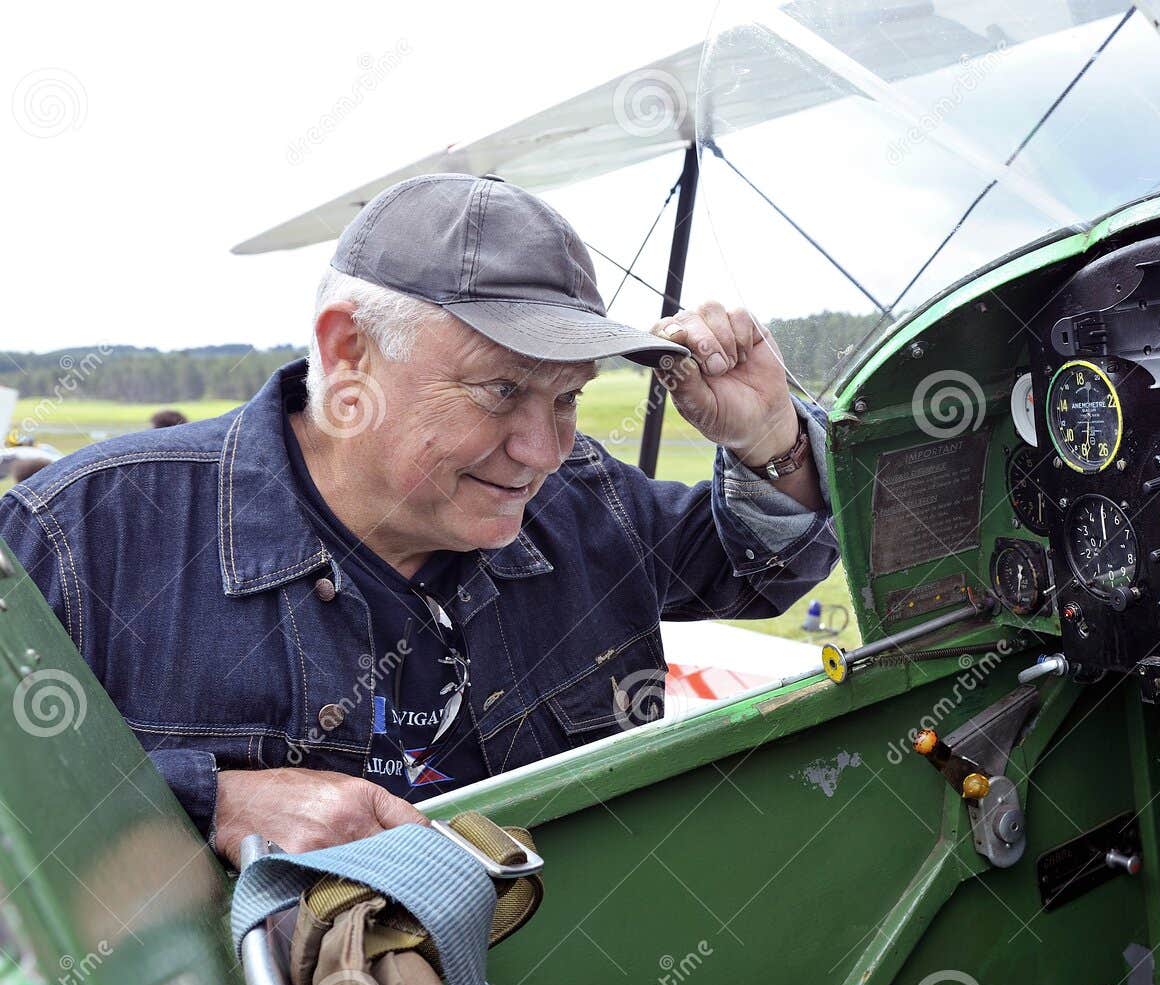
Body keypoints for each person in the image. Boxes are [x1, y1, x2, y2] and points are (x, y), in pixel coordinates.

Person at [0, 174, 837, 865]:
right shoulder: (83, 537)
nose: (543, 449)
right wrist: (204, 799)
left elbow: (760, 567)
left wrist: (770, 440)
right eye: (501, 389)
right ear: (348, 353)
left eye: (568, 396)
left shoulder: (584, 501)